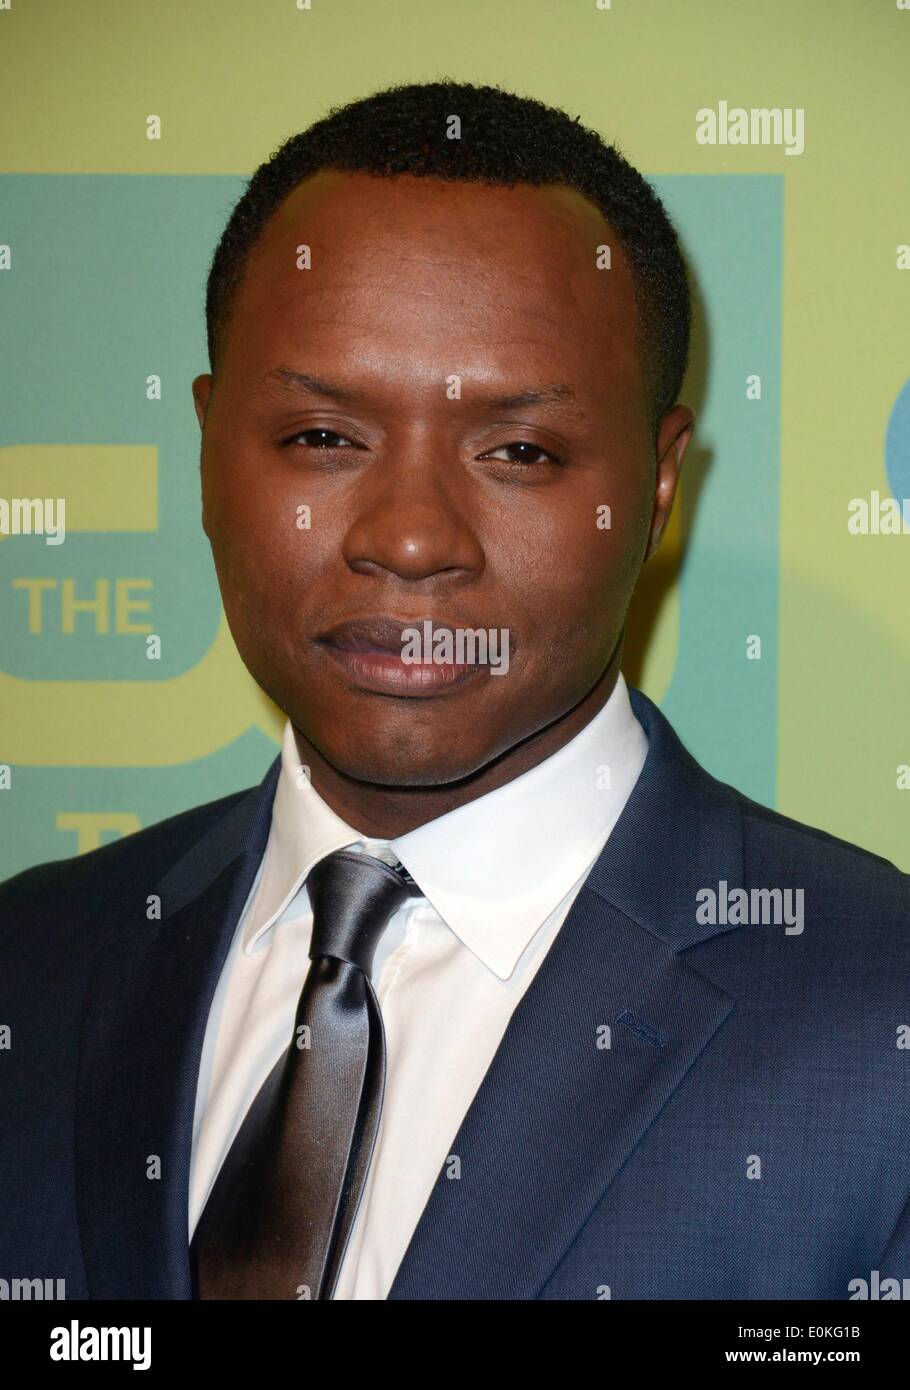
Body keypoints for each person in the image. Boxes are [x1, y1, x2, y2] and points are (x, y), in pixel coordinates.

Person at [1, 80, 908, 1302]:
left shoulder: (876, 1020)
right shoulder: (34, 962)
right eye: (323, 437)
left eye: (519, 452)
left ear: (653, 485)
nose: (413, 538)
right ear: (209, 454)